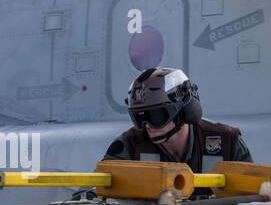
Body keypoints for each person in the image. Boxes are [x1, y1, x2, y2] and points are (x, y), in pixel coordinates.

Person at [104, 67, 252, 196]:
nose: (147, 125)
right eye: (139, 118)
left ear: (183, 111)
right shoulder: (130, 145)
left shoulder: (228, 142)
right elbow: (98, 189)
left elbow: (251, 195)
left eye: (156, 116)